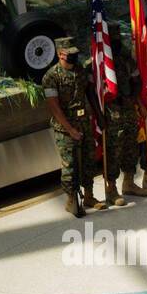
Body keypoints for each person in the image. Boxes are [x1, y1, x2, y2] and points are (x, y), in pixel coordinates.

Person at [43, 38, 104, 215]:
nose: (74, 57)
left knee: (88, 160)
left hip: (84, 123)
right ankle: (71, 200)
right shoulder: (51, 77)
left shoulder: (80, 71)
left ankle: (89, 196)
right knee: (70, 166)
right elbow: (54, 107)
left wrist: (99, 116)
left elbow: (90, 92)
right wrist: (70, 130)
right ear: (60, 54)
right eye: (70, 54)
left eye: (74, 53)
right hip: (65, 128)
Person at [103, 24, 146, 202]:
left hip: (128, 110)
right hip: (112, 113)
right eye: (113, 39)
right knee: (114, 151)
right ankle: (111, 189)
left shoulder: (126, 59)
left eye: (118, 38)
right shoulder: (100, 63)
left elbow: (137, 80)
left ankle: (128, 183)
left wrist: (134, 98)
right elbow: (93, 91)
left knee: (131, 148)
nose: (117, 42)